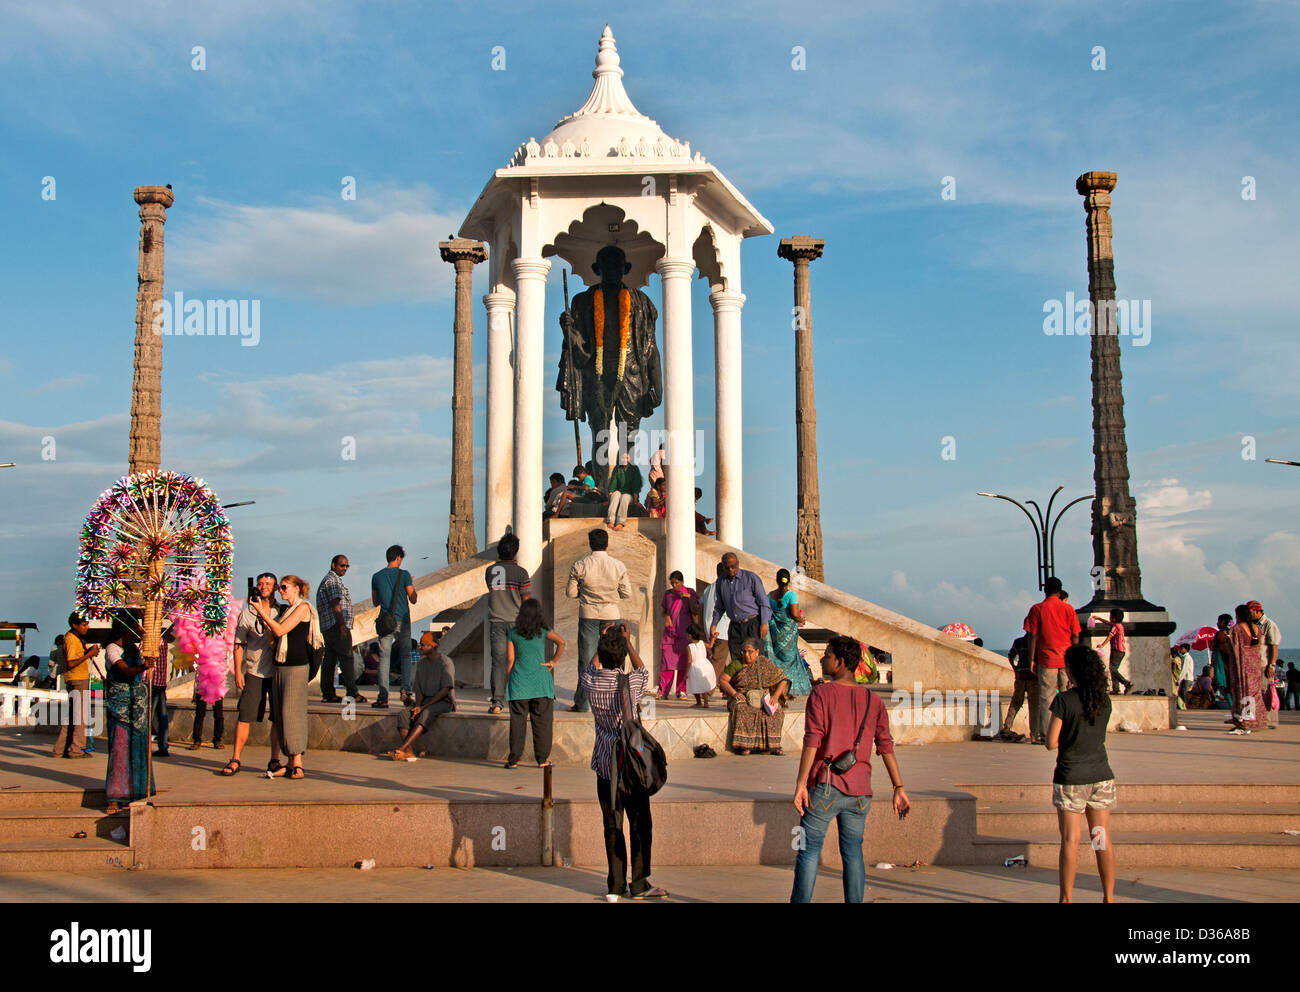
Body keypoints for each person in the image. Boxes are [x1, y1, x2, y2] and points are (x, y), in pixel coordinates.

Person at [792, 635, 909, 903]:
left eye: (828, 654)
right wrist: (898, 787)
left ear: (841, 662)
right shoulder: (874, 701)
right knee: (853, 853)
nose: (822, 658)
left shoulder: (821, 693)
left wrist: (801, 784)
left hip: (825, 785)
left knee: (808, 851)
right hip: (860, 791)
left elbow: (813, 739)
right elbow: (886, 746)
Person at [581, 622, 667, 900]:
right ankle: (639, 883)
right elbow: (643, 670)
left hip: (605, 765)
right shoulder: (629, 683)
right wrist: (628, 642)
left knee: (612, 824)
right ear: (621, 658)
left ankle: (615, 885)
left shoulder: (591, 683)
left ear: (603, 655)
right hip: (632, 766)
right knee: (640, 824)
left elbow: (589, 669)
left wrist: (603, 640)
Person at [1046, 644, 1116, 903]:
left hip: (1071, 778)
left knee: (1070, 841)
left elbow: (1051, 742)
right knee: (1100, 838)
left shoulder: (1064, 701)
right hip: (1101, 775)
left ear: (1072, 671)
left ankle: (1066, 899)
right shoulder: (1104, 700)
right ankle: (1108, 898)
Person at [255, 575, 317, 778]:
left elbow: (281, 630)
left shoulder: (303, 608)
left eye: (284, 587)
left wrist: (263, 614)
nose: (280, 591)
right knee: (281, 715)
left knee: (292, 713)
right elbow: (274, 641)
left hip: (297, 667)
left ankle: (298, 763)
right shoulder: (286, 611)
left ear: (297, 588)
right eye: (280, 588)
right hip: (281, 666)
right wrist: (265, 622)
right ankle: (290, 762)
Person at [565, 528, 633, 712]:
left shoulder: (580, 565)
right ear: (607, 543)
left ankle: (583, 703)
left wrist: (583, 592)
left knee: (586, 659)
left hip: (588, 613)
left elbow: (570, 593)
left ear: (590, 544)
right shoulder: (618, 565)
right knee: (616, 657)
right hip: (611, 612)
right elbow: (627, 593)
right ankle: (616, 700)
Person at [223, 574, 281, 776]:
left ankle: (275, 759)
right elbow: (238, 644)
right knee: (245, 715)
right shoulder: (247, 613)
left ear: (275, 588)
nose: (263, 587)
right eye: (261, 584)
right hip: (254, 671)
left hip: (275, 672)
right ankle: (235, 758)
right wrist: (238, 671)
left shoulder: (279, 611)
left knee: (277, 717)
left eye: (268, 584)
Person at [103, 622, 157, 813]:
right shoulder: (112, 650)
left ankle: (134, 792)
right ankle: (115, 796)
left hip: (137, 709)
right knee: (120, 750)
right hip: (120, 707)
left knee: (136, 750)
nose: (139, 632)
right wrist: (143, 667)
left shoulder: (133, 649)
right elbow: (123, 670)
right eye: (135, 628)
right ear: (125, 630)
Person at [504, 598, 563, 768]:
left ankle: (513, 760)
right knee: (542, 724)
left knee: (517, 723)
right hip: (541, 684)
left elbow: (510, 659)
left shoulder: (513, 633)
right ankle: (542, 760)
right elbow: (562, 642)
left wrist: (509, 680)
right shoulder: (543, 630)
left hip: (519, 684)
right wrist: (553, 661)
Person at [1023, 576, 1080, 746]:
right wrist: (1073, 655)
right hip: (1066, 659)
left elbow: (1032, 635)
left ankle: (1047, 734)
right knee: (1067, 695)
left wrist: (1031, 658)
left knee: (1046, 697)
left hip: (1046, 659)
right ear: (1060, 591)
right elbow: (1076, 634)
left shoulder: (1037, 609)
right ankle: (1066, 732)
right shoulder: (1068, 609)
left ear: (1045, 590)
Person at [387, 631, 456, 761]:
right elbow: (419, 689)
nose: (420, 647)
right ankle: (408, 752)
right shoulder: (421, 664)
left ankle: (401, 749)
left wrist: (424, 707)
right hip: (424, 701)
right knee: (404, 714)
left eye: (423, 645)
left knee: (426, 713)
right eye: (420, 644)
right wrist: (418, 705)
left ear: (433, 646)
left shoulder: (446, 662)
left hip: (443, 701)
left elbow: (445, 689)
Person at [485, 532, 532, 716]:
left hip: (496, 621)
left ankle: (497, 702)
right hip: (516, 621)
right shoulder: (521, 573)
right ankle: (520, 698)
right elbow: (526, 598)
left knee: (498, 662)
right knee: (520, 661)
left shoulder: (490, 571)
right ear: (515, 552)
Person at [720, 637, 790, 755]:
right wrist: (734, 693)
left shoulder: (764, 662)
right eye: (744, 652)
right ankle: (744, 746)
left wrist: (776, 697)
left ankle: (774, 746)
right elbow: (723, 680)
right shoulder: (737, 663)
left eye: (750, 652)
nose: (746, 655)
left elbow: (783, 679)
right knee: (743, 709)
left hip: (762, 696)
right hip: (742, 696)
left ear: (757, 652)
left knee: (776, 711)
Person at [371, 545, 417, 708]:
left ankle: (383, 696)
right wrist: (411, 584)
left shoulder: (376, 577)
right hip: (402, 620)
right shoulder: (404, 575)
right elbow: (413, 598)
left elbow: (375, 602)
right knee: (405, 656)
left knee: (384, 658)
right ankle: (405, 691)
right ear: (398, 558)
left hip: (385, 621)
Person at [52, 613, 99, 759]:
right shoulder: (71, 639)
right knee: (80, 718)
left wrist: (87, 652)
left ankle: (60, 749)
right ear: (75, 625)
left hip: (75, 679)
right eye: (84, 625)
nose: (87, 627)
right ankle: (76, 749)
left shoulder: (73, 638)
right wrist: (88, 654)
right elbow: (72, 662)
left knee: (72, 717)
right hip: (78, 679)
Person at [710, 552, 772, 664]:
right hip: (735, 627)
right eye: (727, 567)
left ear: (738, 564)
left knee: (756, 660)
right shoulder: (721, 582)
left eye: (733, 566)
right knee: (737, 660)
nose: (730, 570)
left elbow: (763, 602)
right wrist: (714, 625)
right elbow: (719, 606)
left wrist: (764, 623)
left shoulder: (751, 578)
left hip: (752, 624)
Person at [317, 554, 362, 704]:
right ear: (333, 565)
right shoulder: (332, 581)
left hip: (329, 626)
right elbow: (336, 605)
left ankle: (328, 693)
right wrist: (342, 625)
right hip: (336, 626)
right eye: (342, 565)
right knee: (346, 658)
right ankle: (352, 693)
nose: (345, 568)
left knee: (330, 660)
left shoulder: (330, 580)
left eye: (346, 566)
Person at [767, 568, 812, 697]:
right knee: (789, 661)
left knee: (777, 660)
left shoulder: (770, 596)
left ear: (776, 580)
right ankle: (790, 688)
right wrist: (802, 619)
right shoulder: (791, 595)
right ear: (788, 581)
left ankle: (777, 685)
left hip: (774, 633)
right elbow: (794, 614)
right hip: (788, 635)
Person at [657, 570, 699, 699]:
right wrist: (667, 617)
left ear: (682, 582)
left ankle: (682, 691)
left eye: (677, 582)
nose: (674, 585)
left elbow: (696, 611)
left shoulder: (690, 592)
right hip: (671, 633)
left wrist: (688, 598)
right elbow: (664, 610)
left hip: (685, 632)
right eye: (672, 583)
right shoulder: (668, 594)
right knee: (667, 663)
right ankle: (663, 691)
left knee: (683, 662)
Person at [1225, 603, 1266, 734]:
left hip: (1242, 665)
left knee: (1241, 693)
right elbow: (1258, 648)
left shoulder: (1237, 629)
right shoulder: (1257, 629)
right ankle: (1256, 721)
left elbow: (1236, 650)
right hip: (1254, 664)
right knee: (1255, 693)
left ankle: (1242, 721)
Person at [1248, 600, 1281, 730]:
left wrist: (1272, 665)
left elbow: (1274, 646)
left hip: (1264, 664)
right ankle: (1259, 719)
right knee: (1257, 693)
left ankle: (1270, 721)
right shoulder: (1251, 625)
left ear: (1257, 611)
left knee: (1267, 691)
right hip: (1254, 664)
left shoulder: (1269, 625)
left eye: (1251, 612)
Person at [699, 562, 732, 683]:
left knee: (722, 662)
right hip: (722, 631)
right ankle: (706, 688)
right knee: (717, 662)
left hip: (710, 630)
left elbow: (700, 608)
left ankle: (724, 689)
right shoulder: (726, 588)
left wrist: (703, 628)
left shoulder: (709, 588)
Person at [998, 635, 1033, 742]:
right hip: (1033, 677)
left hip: (1020, 676)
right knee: (1034, 705)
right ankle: (1035, 732)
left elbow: (1011, 656)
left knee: (1016, 702)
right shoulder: (1038, 641)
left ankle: (1007, 726)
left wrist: (1015, 668)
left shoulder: (1019, 641)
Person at [149, 627, 173, 757]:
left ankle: (145, 745)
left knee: (149, 717)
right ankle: (163, 746)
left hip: (152, 683)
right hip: (161, 683)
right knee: (162, 717)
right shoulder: (163, 641)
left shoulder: (151, 642)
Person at [605, 452, 642, 531]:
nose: (625, 460)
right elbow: (613, 483)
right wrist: (609, 499)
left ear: (630, 459)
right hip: (619, 492)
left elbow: (636, 485)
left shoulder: (634, 469)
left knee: (625, 497)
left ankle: (620, 522)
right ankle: (610, 520)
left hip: (629, 494)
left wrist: (635, 500)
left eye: (627, 458)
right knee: (615, 494)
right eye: (623, 458)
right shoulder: (617, 468)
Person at [1097, 608, 1131, 694]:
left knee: (1112, 668)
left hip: (1117, 650)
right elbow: (1108, 623)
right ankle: (1116, 689)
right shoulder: (1119, 625)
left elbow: (1110, 636)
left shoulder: (1115, 627)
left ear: (1113, 618)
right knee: (1114, 669)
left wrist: (1102, 645)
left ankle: (1126, 683)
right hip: (1121, 651)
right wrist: (1099, 619)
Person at [683, 623, 716, 706]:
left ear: (690, 635)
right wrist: (713, 638)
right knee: (703, 684)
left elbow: (690, 661)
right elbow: (711, 646)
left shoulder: (689, 646)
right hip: (705, 666)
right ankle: (706, 702)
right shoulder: (702, 642)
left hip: (695, 667)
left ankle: (698, 702)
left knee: (694, 684)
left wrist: (686, 672)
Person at [1210, 613, 1232, 705]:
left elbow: (1212, 647)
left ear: (1222, 622)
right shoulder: (1232, 633)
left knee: (1225, 688)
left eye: (1218, 621)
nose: (1217, 623)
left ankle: (1234, 709)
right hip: (1230, 663)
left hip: (1221, 665)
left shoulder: (1220, 634)